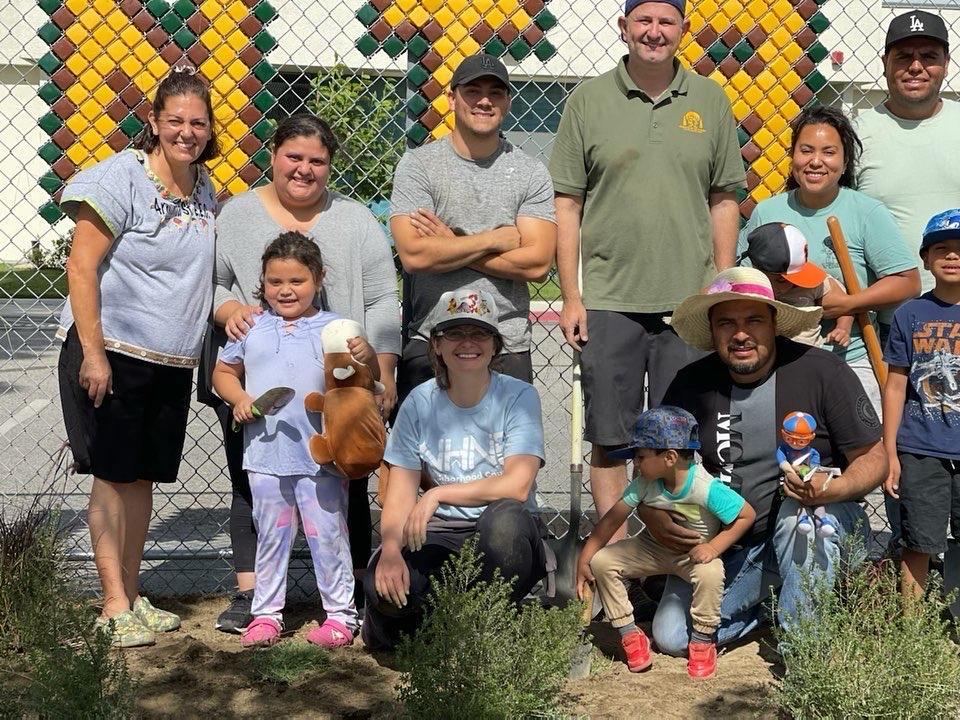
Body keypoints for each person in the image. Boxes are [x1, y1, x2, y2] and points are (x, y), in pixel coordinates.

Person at [549, 0, 746, 540]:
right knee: (611, 440)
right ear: (624, 27)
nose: (654, 32)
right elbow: (567, 204)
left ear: (683, 30)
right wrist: (572, 296)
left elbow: (724, 198)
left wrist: (722, 287)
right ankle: (615, 560)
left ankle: (671, 562)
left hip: (688, 306)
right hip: (608, 300)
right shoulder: (588, 101)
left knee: (678, 443)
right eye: (643, 20)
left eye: (666, 22)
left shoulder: (710, 99)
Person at [211, 114, 400, 633]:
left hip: (340, 391)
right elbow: (211, 283)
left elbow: (383, 299)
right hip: (259, 387)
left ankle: (346, 604)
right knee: (253, 492)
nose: (304, 168)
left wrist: (382, 371)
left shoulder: (355, 220)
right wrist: (231, 313)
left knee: (341, 495)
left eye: (317, 160)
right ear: (272, 155)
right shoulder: (238, 214)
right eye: (294, 156)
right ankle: (256, 602)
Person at [56, 68, 219, 647]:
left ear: (209, 128)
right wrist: (93, 355)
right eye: (175, 120)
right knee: (112, 476)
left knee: (142, 478)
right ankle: (111, 605)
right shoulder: (120, 178)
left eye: (197, 122)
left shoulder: (203, 187)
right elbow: (81, 267)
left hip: (168, 362)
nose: (186, 132)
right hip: (113, 353)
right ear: (153, 121)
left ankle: (131, 591)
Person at [651, 267, 886, 655]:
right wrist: (654, 514)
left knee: (799, 520)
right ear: (712, 331)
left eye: (754, 320)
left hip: (819, 523)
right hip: (730, 543)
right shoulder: (691, 383)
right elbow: (655, 466)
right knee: (673, 637)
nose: (740, 334)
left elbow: (874, 457)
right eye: (726, 323)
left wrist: (837, 487)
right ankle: (781, 601)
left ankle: (804, 655)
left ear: (774, 324)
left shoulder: (822, 371)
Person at [363, 288, 547, 650]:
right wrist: (391, 550)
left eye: (479, 333)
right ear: (437, 345)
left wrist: (439, 493)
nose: (468, 343)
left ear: (495, 345)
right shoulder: (419, 402)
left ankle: (487, 623)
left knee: (505, 525)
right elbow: (400, 493)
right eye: (455, 333)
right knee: (383, 588)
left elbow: (517, 485)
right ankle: (427, 624)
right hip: (440, 533)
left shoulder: (519, 396)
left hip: (502, 530)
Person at [213, 232, 370, 648]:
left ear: (319, 278)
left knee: (328, 535)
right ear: (262, 283)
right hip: (265, 457)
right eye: (275, 281)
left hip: (322, 458)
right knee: (271, 536)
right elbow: (223, 373)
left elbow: (359, 381)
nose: (285, 290)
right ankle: (266, 615)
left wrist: (364, 357)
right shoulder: (250, 327)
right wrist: (240, 399)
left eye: (297, 281)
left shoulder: (335, 330)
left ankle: (340, 616)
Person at [390, 53, 556, 401]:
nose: (484, 101)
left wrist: (451, 243)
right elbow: (415, 256)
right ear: (452, 99)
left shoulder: (530, 172)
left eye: (495, 93)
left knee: (509, 440)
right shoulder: (419, 165)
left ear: (508, 102)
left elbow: (538, 264)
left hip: (506, 342)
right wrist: (495, 239)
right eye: (473, 91)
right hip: (432, 339)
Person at [739, 104, 921, 415]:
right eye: (806, 150)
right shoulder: (767, 212)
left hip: (849, 357)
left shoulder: (865, 212)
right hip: (777, 359)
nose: (816, 161)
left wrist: (849, 304)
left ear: (845, 161)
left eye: (829, 152)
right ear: (792, 156)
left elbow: (908, 282)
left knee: (865, 441)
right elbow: (743, 278)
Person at [576, 406, 755, 679]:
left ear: (669, 457)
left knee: (711, 573)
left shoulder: (705, 487)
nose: (635, 464)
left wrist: (713, 547)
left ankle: (702, 641)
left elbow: (746, 515)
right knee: (603, 562)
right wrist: (585, 557)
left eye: (640, 457)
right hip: (653, 548)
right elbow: (611, 520)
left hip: (692, 555)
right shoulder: (645, 483)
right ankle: (629, 633)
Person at [855, 9, 958, 336]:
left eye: (929, 56)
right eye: (903, 56)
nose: (916, 66)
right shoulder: (855, 135)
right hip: (888, 321)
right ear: (884, 63)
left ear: (946, 63)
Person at [882, 209, 960, 601]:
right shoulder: (909, 314)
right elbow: (895, 385)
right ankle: (912, 628)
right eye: (941, 248)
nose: (952, 256)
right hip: (920, 449)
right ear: (926, 258)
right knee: (918, 542)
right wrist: (890, 451)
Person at [741, 222, 854, 348]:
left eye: (799, 276)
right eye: (782, 280)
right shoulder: (745, 289)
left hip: (808, 353)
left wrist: (842, 328)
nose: (793, 284)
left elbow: (845, 308)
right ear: (757, 269)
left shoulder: (815, 283)